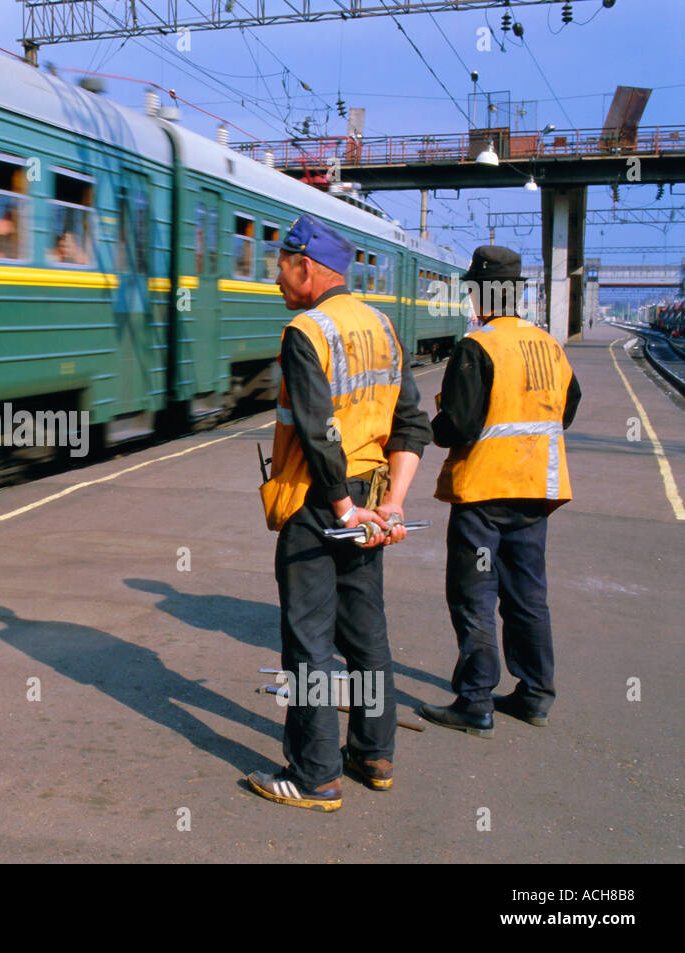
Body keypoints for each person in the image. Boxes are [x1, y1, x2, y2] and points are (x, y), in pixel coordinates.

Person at [248, 214, 432, 812]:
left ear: (305, 266)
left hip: (320, 503)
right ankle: (374, 755)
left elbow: (319, 431)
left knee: (308, 642)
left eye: (281, 265)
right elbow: (411, 424)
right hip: (371, 500)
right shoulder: (382, 325)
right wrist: (391, 504)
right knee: (365, 633)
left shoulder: (306, 330)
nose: (277, 277)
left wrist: (344, 508)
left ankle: (314, 776)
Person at [419, 246, 580, 736]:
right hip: (536, 490)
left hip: (484, 492)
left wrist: (431, 427)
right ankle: (534, 695)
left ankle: (475, 701)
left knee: (474, 597)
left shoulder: (478, 346)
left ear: (481, 292)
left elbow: (459, 425)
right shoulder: (548, 344)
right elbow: (568, 407)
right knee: (527, 595)